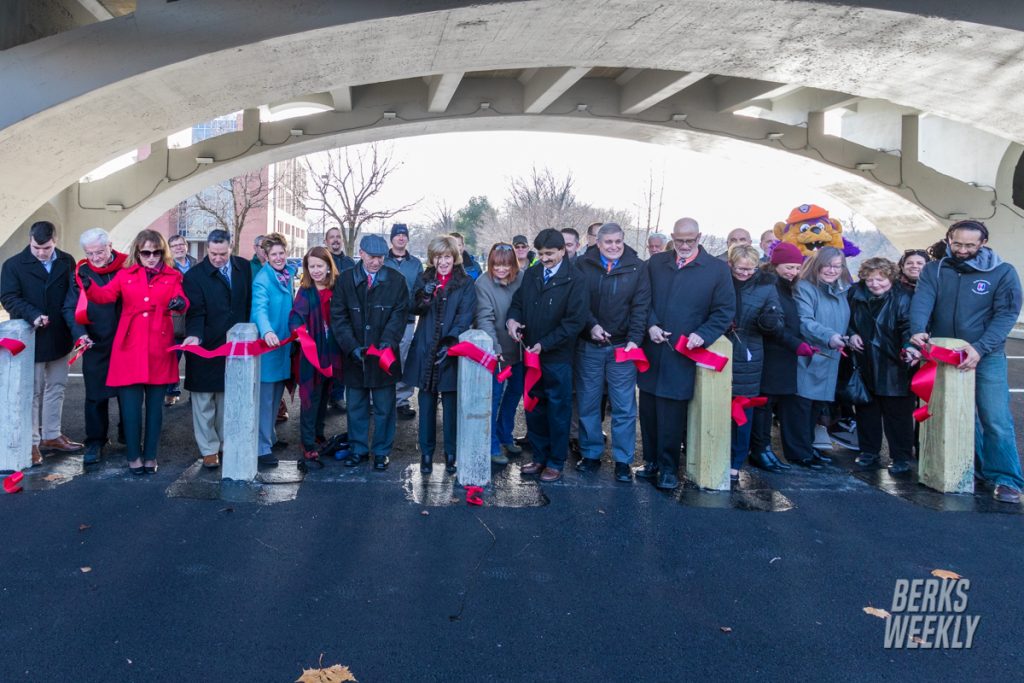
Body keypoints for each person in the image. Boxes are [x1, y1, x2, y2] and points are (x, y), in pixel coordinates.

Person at [910, 219, 1024, 504]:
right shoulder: (934, 270)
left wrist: (980, 348)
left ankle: (1007, 479)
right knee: (953, 414)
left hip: (986, 356)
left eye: (970, 245)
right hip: (943, 353)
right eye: (957, 244)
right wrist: (917, 330)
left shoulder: (1003, 272)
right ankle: (966, 468)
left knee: (995, 418)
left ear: (983, 243)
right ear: (949, 239)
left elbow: (1006, 315)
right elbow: (923, 301)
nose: (962, 250)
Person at [638, 217, 735, 490]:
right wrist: (651, 325)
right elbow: (642, 299)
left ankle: (669, 468)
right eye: (679, 240)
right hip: (654, 349)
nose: (683, 245)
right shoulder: (656, 264)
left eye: (689, 241)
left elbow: (724, 310)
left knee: (672, 413)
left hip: (685, 353)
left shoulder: (716, 270)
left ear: (699, 237)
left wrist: (703, 334)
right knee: (648, 409)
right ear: (672, 236)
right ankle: (651, 462)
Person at [81, 229, 187, 475]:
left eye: (156, 252)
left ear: (163, 252)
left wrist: (181, 304)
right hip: (128, 346)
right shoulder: (125, 274)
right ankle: (133, 457)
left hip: (159, 347)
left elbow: (181, 299)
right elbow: (105, 296)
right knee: (130, 408)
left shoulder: (173, 275)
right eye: (146, 252)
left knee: (155, 408)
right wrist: (88, 286)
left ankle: (150, 456)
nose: (151, 257)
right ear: (137, 253)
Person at [506, 228, 589, 482]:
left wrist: (545, 343)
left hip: (558, 358)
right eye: (541, 253)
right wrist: (512, 320)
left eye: (550, 254)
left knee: (558, 410)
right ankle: (540, 456)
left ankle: (556, 461)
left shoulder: (576, 278)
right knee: (534, 408)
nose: (545, 258)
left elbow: (575, 322)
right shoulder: (532, 273)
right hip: (531, 355)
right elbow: (519, 303)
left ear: (563, 250)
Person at [573, 223, 651, 482]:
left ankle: (623, 460)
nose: (614, 246)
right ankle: (591, 453)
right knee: (588, 403)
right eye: (608, 242)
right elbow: (578, 303)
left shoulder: (637, 267)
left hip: (622, 347)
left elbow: (640, 307)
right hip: (590, 345)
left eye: (618, 241)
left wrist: (635, 340)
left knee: (624, 406)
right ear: (598, 243)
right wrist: (591, 325)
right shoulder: (583, 265)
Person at [1, 220, 82, 465]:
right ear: (30, 241)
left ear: (54, 241)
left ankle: (52, 435)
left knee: (56, 387)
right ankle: (32, 442)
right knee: (32, 392)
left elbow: (73, 295)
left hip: (59, 336)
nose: (41, 253)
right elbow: (8, 297)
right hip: (31, 337)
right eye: (37, 248)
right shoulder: (13, 265)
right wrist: (33, 314)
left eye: (46, 248)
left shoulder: (67, 261)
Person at [331, 234, 409, 470]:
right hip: (355, 355)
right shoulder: (345, 280)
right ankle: (358, 449)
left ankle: (382, 451)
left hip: (384, 355)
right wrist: (352, 346)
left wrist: (387, 342)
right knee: (356, 407)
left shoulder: (396, 280)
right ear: (361, 254)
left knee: (385, 407)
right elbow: (339, 317)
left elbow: (399, 314)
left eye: (380, 258)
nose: (376, 262)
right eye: (372, 257)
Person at [179, 229, 253, 469]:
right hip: (206, 345)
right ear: (207, 250)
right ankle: (209, 449)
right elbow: (195, 311)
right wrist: (195, 336)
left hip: (236, 344)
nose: (218, 258)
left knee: (226, 398)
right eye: (213, 254)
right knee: (203, 401)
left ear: (230, 248)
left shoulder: (243, 267)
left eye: (222, 253)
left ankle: (224, 443)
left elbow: (248, 302)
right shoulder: (194, 276)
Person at [404, 236, 477, 474]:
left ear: (453, 257)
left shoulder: (464, 282)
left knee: (450, 407)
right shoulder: (425, 277)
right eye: (438, 257)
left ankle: (451, 453)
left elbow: (465, 316)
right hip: (425, 348)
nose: (442, 262)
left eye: (447, 256)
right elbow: (414, 309)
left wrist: (451, 341)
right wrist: (425, 295)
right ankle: (426, 453)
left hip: (451, 350)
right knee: (425, 405)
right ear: (432, 258)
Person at [61, 228, 127, 466]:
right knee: (95, 397)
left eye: (100, 251)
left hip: (125, 341)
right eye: (90, 253)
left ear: (110, 245)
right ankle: (95, 441)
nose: (96, 257)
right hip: (95, 341)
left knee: (128, 394)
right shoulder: (81, 272)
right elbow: (69, 308)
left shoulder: (126, 267)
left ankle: (127, 434)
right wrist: (80, 335)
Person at [847, 257, 917, 474]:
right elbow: (846, 320)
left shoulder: (904, 297)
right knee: (867, 410)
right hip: (865, 360)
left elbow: (908, 324)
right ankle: (868, 451)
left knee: (898, 415)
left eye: (881, 280)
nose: (875, 284)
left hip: (894, 363)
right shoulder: (854, 294)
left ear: (891, 278)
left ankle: (901, 457)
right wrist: (851, 335)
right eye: (870, 280)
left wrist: (909, 346)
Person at [748, 242, 810, 473]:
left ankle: (765, 449)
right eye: (788, 266)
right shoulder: (769, 284)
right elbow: (771, 324)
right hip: (771, 353)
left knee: (772, 403)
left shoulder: (787, 286)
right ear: (776, 264)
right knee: (763, 405)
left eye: (796, 267)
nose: (793, 272)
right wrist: (797, 344)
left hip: (785, 353)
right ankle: (760, 449)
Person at [726, 245, 783, 482]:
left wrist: (768, 321)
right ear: (731, 264)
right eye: (740, 268)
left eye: (751, 269)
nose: (745, 273)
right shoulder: (721, 281)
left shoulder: (766, 286)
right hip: (718, 347)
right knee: (715, 407)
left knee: (742, 412)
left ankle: (735, 462)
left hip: (749, 352)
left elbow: (777, 320)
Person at [792, 246, 852, 469]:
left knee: (816, 408)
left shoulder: (841, 290)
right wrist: (830, 337)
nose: (832, 270)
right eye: (827, 265)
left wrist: (850, 336)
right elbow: (804, 321)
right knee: (802, 407)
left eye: (837, 266)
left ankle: (808, 449)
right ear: (817, 265)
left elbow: (846, 320)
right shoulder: (804, 288)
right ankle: (800, 452)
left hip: (831, 356)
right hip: (810, 356)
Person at [288, 246, 344, 464]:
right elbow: (295, 317)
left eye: (320, 266)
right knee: (310, 397)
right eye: (312, 266)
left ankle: (319, 434)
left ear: (329, 267)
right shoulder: (305, 290)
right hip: (311, 354)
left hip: (332, 351)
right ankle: (308, 442)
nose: (316, 270)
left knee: (324, 396)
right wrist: (299, 333)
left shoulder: (338, 289)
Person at [475, 243, 525, 464]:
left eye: (505, 265)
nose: (501, 269)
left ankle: (505, 434)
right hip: (497, 353)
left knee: (514, 396)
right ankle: (491, 443)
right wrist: (495, 349)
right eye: (496, 265)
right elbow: (484, 318)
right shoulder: (483, 283)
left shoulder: (522, 278)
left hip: (521, 351)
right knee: (493, 398)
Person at [251, 232, 295, 468]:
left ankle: (270, 437)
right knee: (265, 401)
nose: (278, 257)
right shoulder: (262, 279)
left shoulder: (286, 276)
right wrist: (267, 331)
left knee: (276, 398)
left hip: (283, 346)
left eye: (281, 253)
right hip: (269, 346)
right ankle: (261, 447)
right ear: (266, 256)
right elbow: (259, 309)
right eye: (273, 254)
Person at [384, 222, 424, 420]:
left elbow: (419, 290)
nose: (401, 238)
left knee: (403, 359)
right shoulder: (382, 260)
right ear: (391, 238)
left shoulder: (415, 264)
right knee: (383, 357)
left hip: (407, 319)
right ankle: (380, 399)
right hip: (383, 319)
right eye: (397, 235)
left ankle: (401, 400)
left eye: (404, 235)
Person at [165, 234, 196, 406]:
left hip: (193, 320)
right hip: (174, 321)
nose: (178, 248)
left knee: (195, 362)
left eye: (181, 244)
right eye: (174, 245)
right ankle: (172, 391)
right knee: (172, 360)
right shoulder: (166, 267)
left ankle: (194, 393)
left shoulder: (197, 264)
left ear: (186, 245)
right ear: (170, 249)